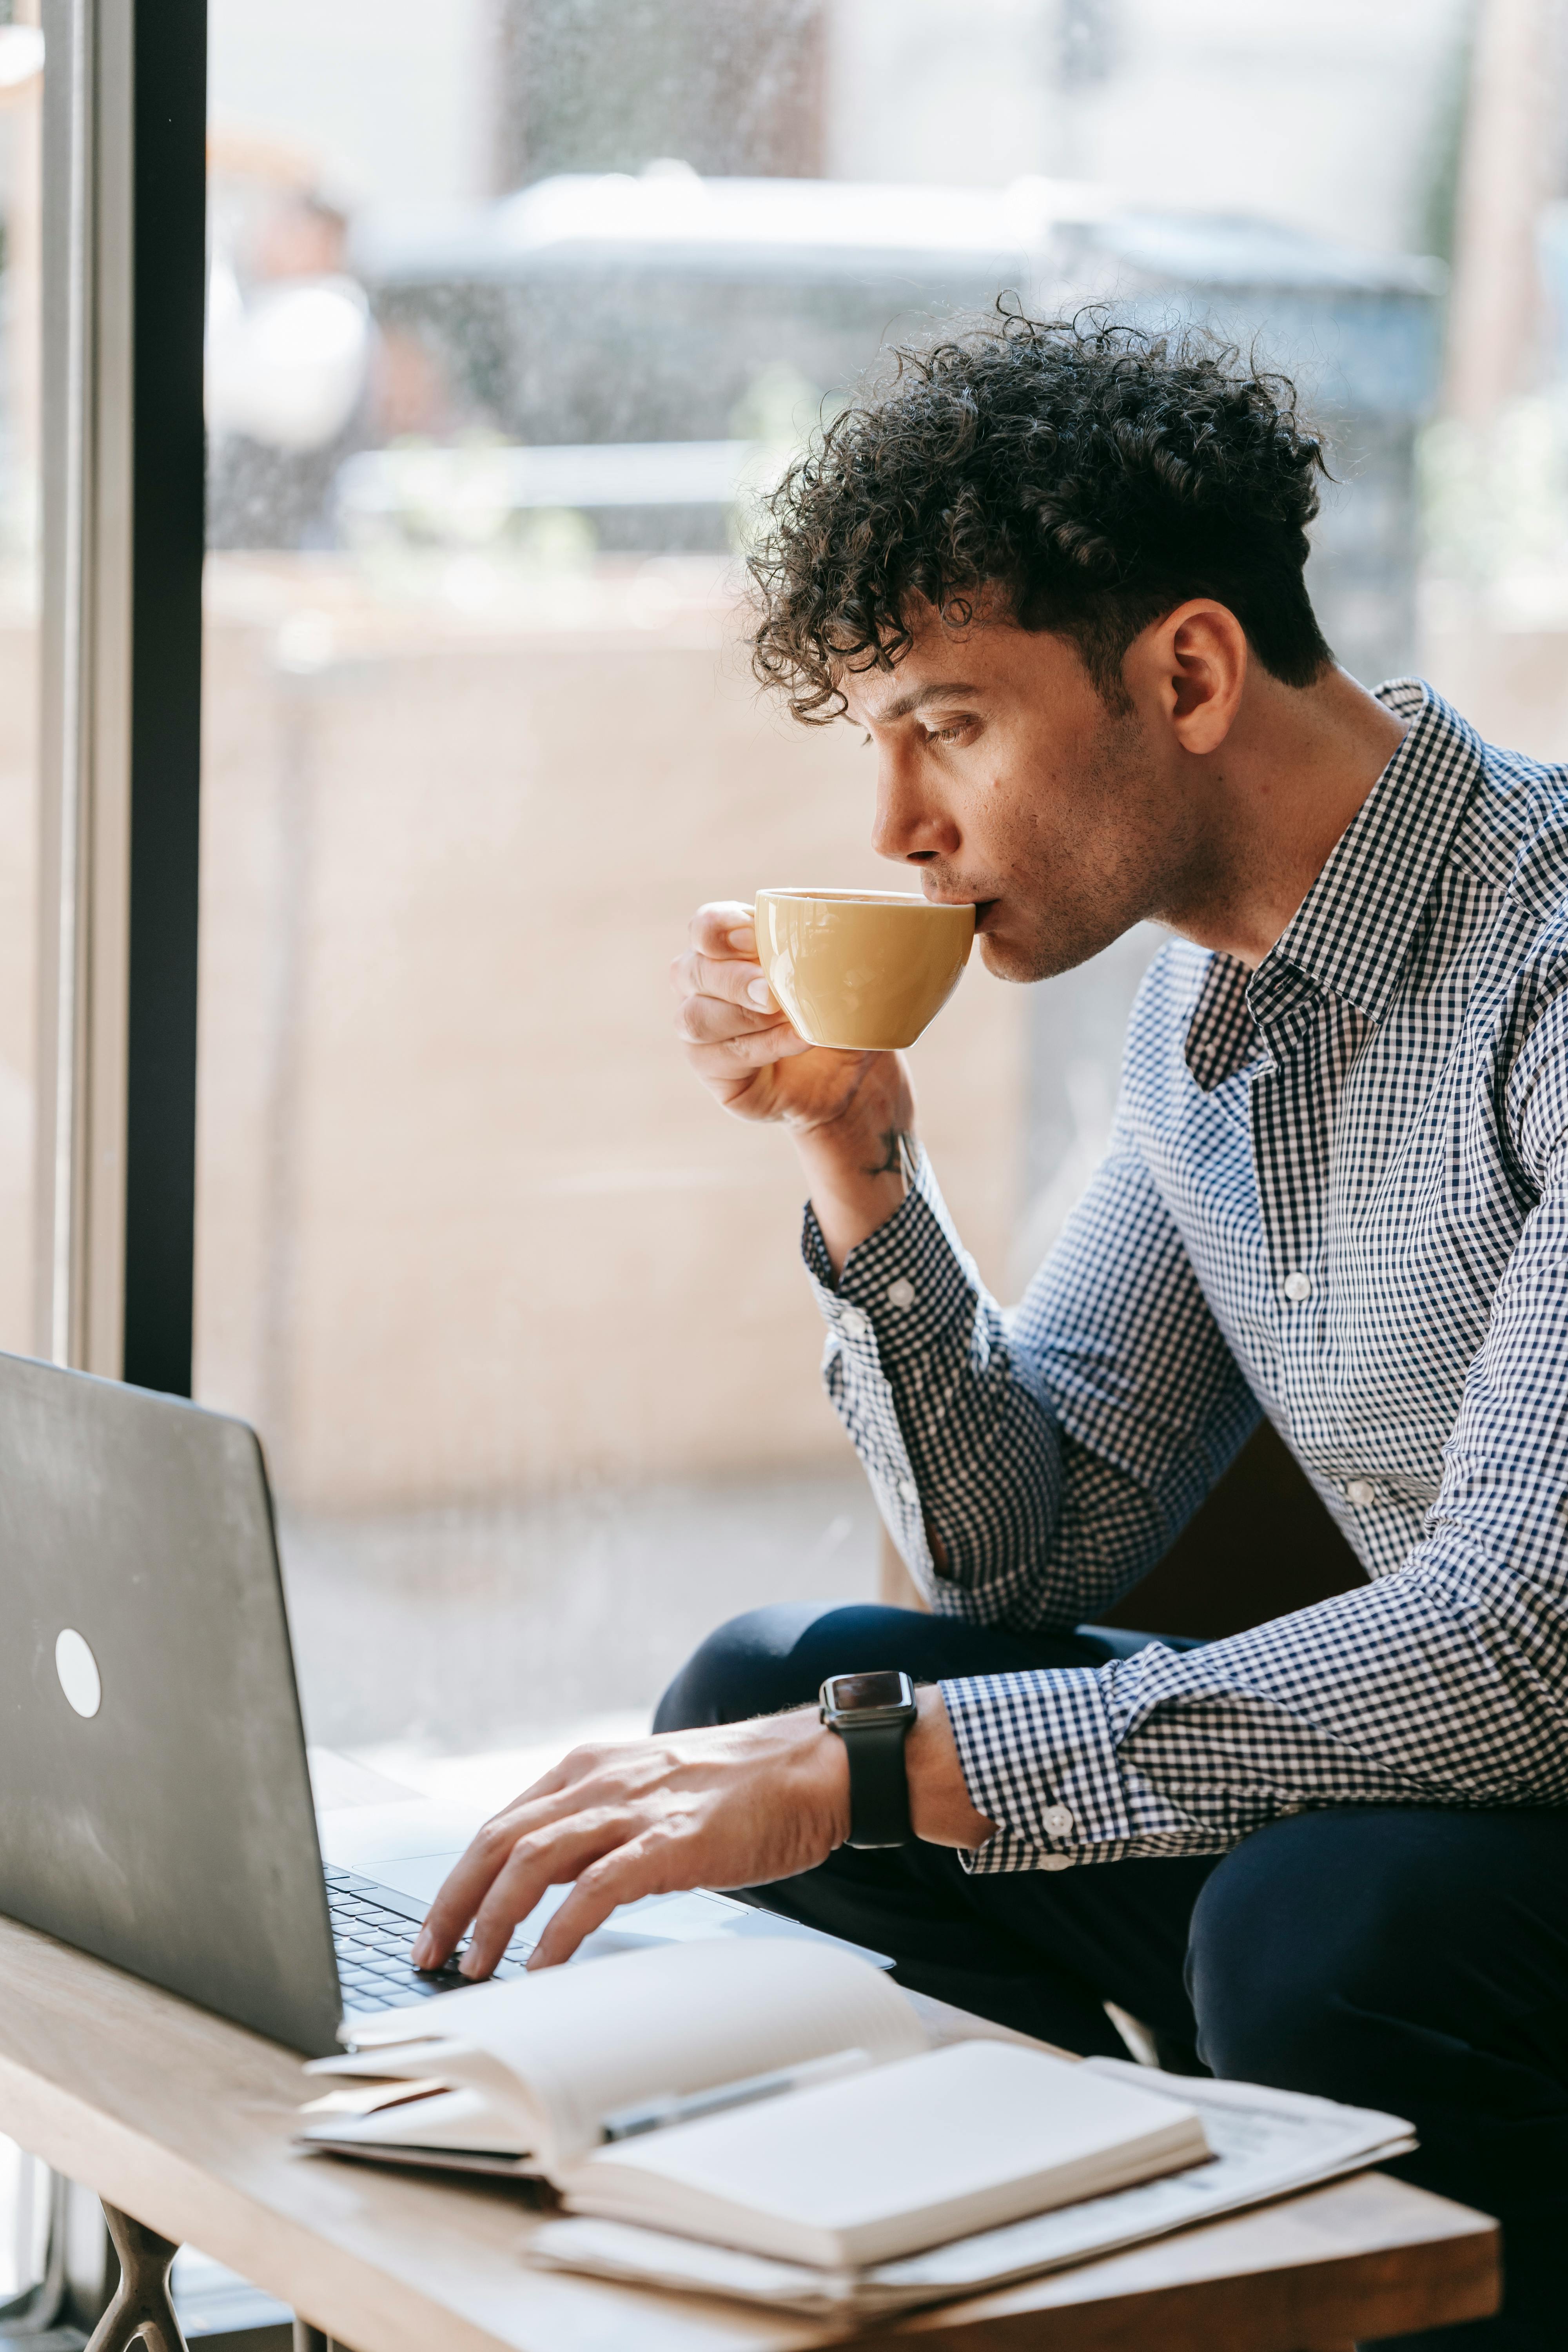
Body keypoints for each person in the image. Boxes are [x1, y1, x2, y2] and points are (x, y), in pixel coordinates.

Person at [417, 315, 1568, 2348]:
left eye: (946, 723)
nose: (893, 825)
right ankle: (1046, 2268)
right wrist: (860, 1156)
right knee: (776, 1678)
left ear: (1189, 673)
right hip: (1454, 1803)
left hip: (1503, 1785)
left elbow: (1524, 1649)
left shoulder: (1548, 963)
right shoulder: (1200, 1022)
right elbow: (1030, 1551)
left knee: (1298, 1923)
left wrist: (870, 1771)